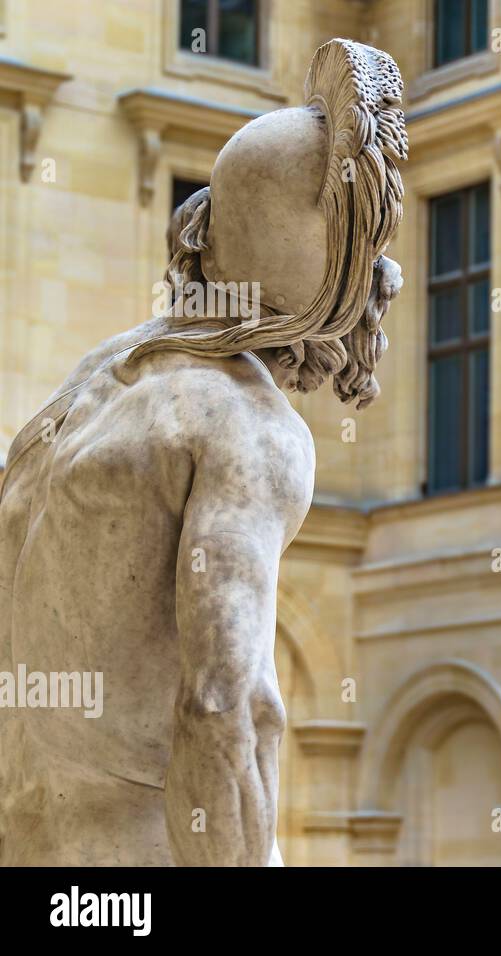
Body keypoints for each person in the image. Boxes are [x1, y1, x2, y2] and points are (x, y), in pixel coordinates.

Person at [0, 38, 406, 866]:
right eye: (367, 269)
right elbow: (226, 704)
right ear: (325, 293)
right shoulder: (244, 428)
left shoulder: (84, 391)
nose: (384, 291)